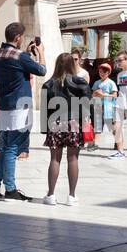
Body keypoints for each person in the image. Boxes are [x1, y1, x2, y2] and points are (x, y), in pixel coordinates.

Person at [0, 22, 45, 202]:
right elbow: (42, 70)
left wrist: (27, 54)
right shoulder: (20, 56)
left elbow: (17, 66)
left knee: (5, 146)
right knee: (13, 148)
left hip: (4, 105)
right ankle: (11, 189)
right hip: (20, 106)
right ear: (18, 37)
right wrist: (41, 52)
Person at [40, 52, 90, 206]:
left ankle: (51, 195)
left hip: (54, 122)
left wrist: (44, 129)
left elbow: (44, 109)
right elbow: (88, 105)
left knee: (55, 159)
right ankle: (71, 196)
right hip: (74, 122)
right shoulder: (80, 82)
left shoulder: (48, 84)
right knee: (73, 159)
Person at [90, 62, 116, 152]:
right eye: (100, 72)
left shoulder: (111, 83)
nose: (102, 74)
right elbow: (92, 94)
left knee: (111, 126)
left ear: (108, 73)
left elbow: (115, 95)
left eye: (104, 72)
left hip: (108, 107)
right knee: (97, 125)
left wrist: (103, 95)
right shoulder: (97, 82)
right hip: (98, 107)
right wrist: (95, 94)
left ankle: (117, 141)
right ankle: (95, 143)